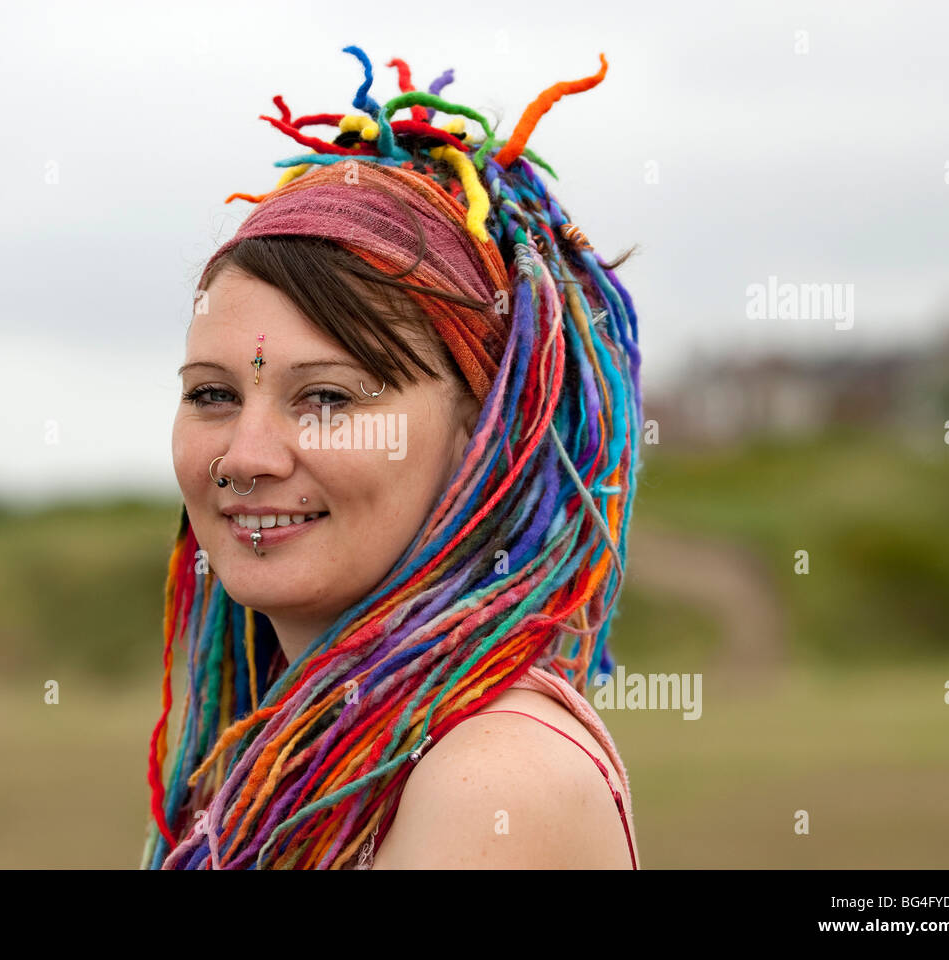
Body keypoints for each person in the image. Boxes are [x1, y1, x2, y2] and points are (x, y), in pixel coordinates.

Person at [143, 45, 642, 870]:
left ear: (485, 436)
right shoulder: (300, 755)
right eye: (212, 394)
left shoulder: (490, 785)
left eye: (330, 398)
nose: (247, 456)